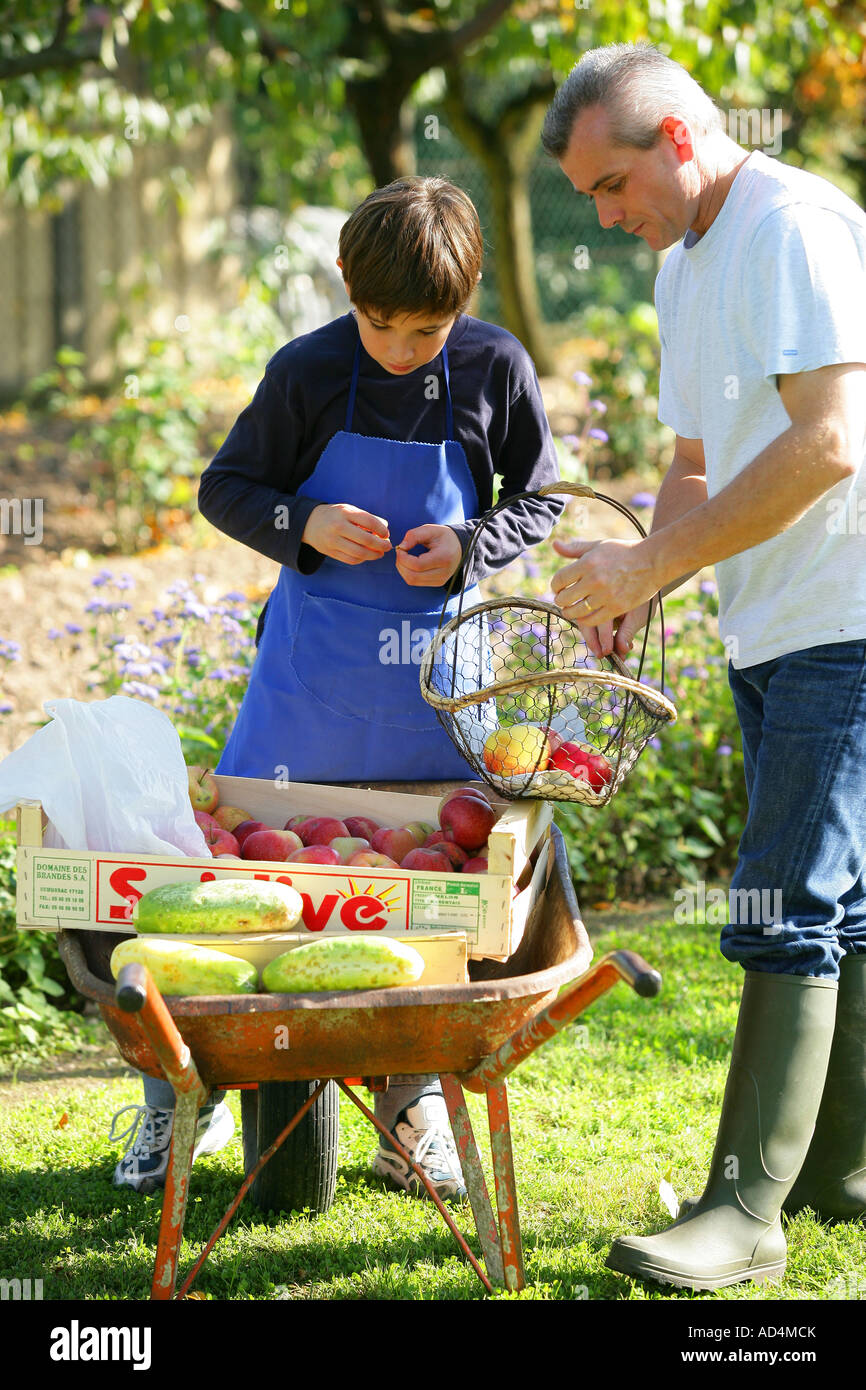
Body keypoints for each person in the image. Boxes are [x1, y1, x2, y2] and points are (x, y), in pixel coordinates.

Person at [110, 175, 564, 1199]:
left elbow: (537, 499)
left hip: (438, 686)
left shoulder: (494, 365)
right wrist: (301, 526)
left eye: (426, 328)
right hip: (309, 680)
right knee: (245, 888)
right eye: (379, 323)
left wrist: (468, 543)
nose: (401, 347)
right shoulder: (307, 369)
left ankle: (410, 1114)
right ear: (344, 286)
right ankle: (186, 1095)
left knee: (429, 899)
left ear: (467, 299)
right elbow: (226, 486)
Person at [541, 42, 866, 1291]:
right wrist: (645, 572)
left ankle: (742, 1213)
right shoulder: (685, 264)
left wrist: (649, 565)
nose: (605, 215)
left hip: (845, 611)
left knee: (781, 898)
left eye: (609, 184)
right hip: (769, 619)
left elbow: (828, 441)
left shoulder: (792, 228)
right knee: (837, 901)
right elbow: (692, 459)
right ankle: (841, 1170)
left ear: (677, 138)